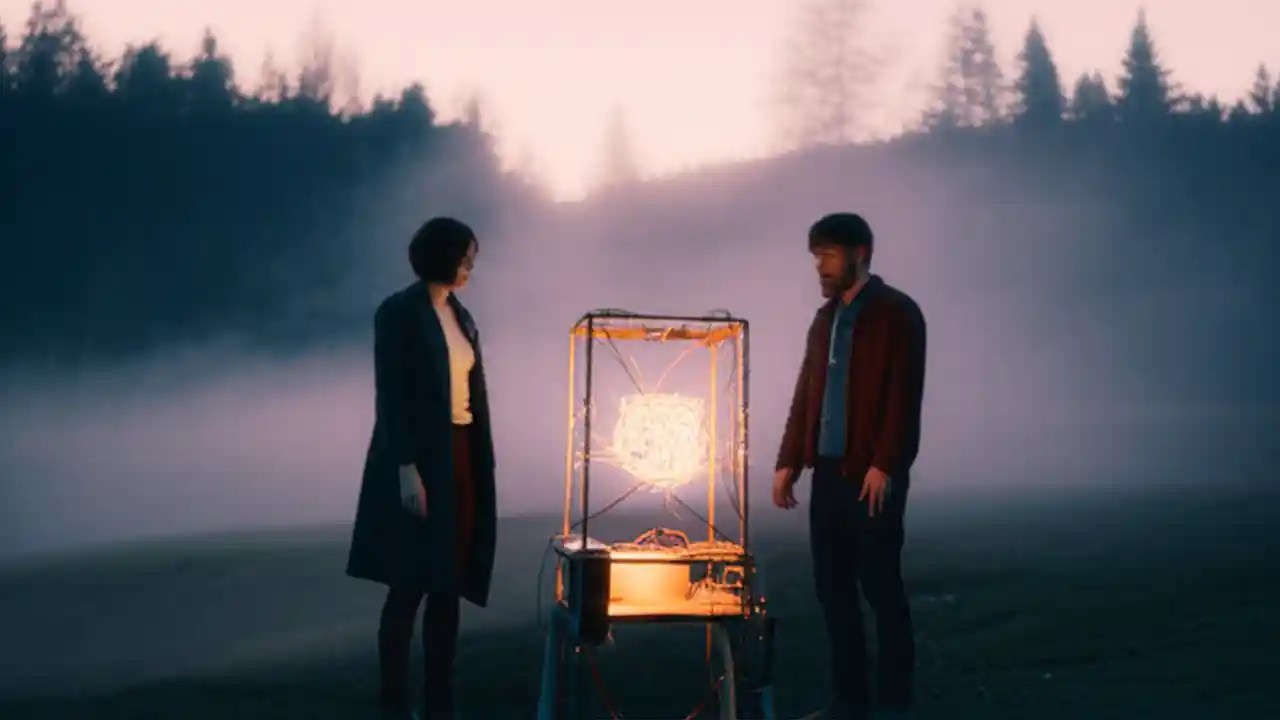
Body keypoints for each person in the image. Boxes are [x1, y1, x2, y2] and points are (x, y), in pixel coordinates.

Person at [772, 213, 926, 719]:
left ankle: (896, 699)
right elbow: (806, 391)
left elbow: (904, 395)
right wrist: (790, 459)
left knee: (880, 586)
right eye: (816, 255)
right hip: (829, 477)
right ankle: (851, 699)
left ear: (861, 252)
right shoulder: (825, 319)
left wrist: (886, 463)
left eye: (829, 254)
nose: (819, 265)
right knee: (832, 589)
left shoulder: (897, 313)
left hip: (872, 479)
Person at [346, 217, 498, 720]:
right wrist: (406, 468)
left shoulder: (462, 316)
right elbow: (389, 397)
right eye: (465, 256)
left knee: (448, 581)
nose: (472, 265)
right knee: (408, 580)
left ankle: (439, 705)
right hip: (418, 456)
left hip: (460, 454)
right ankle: (394, 703)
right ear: (442, 256)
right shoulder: (398, 313)